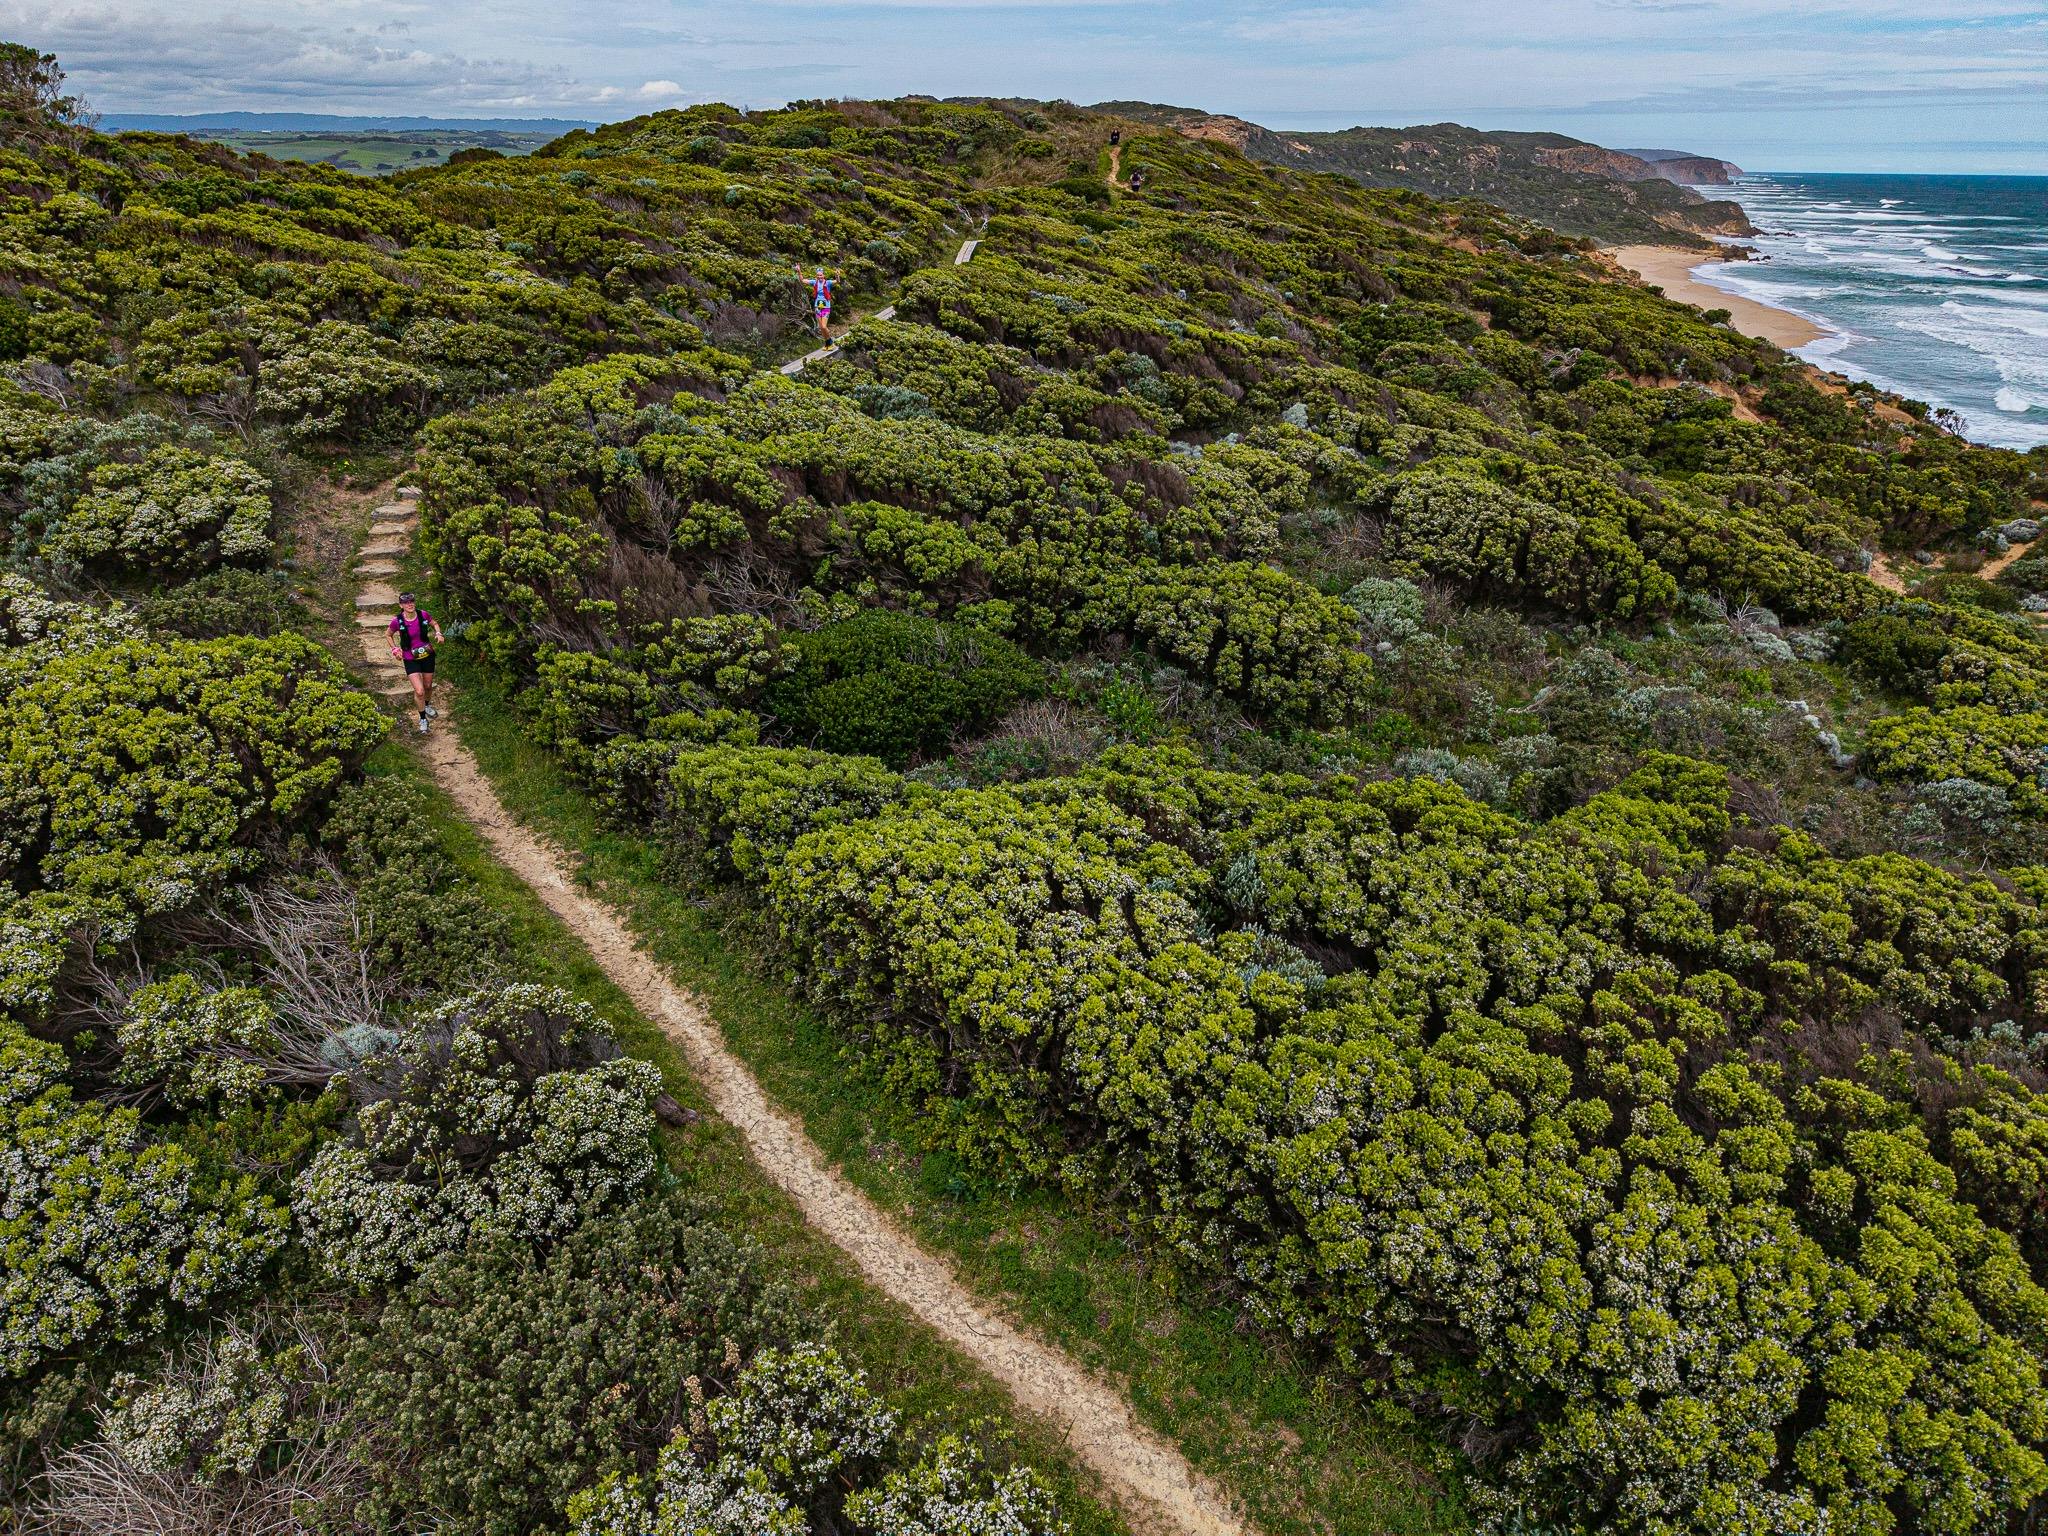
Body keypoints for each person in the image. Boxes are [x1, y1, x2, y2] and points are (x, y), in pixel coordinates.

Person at [387, 591, 444, 734]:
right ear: (401, 605)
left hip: (427, 654)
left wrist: (438, 633)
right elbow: (388, 634)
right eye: (406, 602)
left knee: (428, 686)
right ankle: (423, 718)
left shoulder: (423, 614)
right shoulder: (397, 621)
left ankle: (427, 705)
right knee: (419, 691)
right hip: (410, 658)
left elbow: (434, 623)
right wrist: (395, 649)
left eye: (411, 601)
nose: (410, 604)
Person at [806, 269, 836, 338]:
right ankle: (827, 342)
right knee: (821, 327)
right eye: (818, 275)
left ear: (823, 275)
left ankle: (830, 340)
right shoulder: (814, 282)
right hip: (817, 307)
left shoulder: (828, 283)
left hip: (826, 306)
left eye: (821, 275)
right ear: (816, 276)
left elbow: (837, 281)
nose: (819, 277)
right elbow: (802, 280)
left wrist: (837, 276)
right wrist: (799, 272)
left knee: (824, 326)